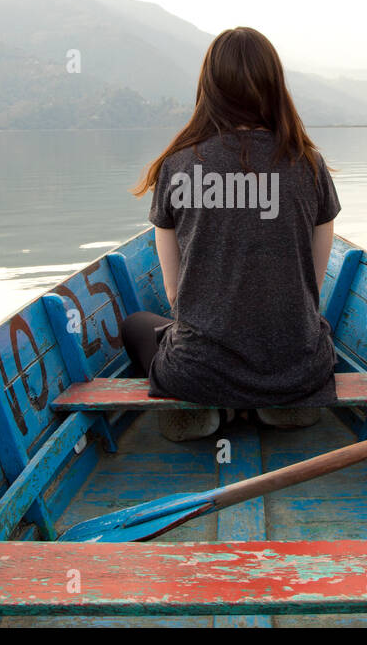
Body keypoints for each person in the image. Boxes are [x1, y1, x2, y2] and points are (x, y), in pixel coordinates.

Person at [123, 26, 341, 441]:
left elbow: (174, 296)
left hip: (197, 371)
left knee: (136, 324)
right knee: (316, 326)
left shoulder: (177, 165)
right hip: (296, 370)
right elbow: (309, 288)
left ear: (209, 88)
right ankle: (278, 406)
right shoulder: (309, 165)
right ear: (275, 86)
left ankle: (202, 406)